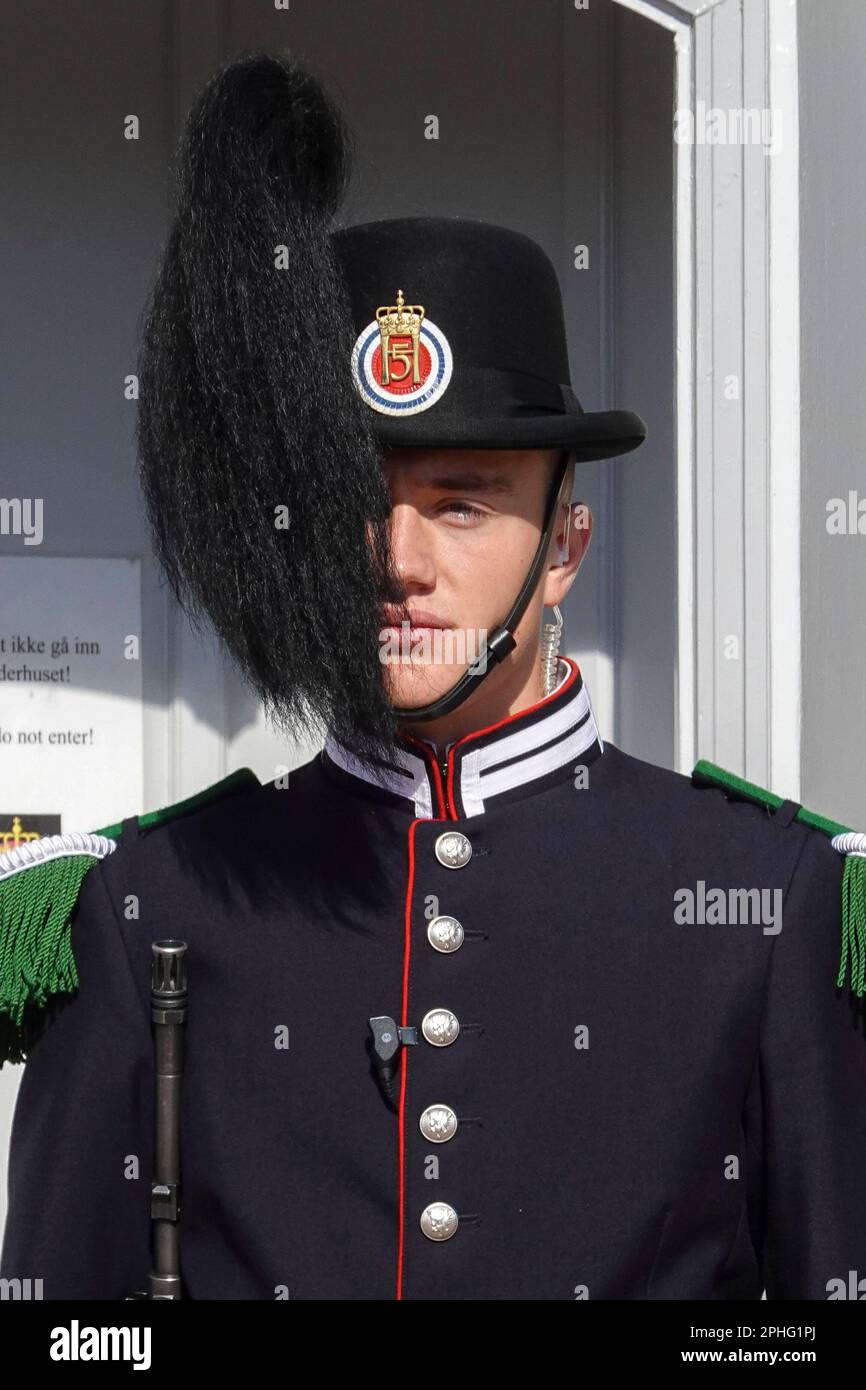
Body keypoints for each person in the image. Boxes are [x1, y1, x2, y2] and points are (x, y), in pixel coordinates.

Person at [1, 51, 865, 1302]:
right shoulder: (143, 903)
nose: (397, 561)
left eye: (461, 505)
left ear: (563, 548)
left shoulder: (770, 902)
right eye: (359, 505)